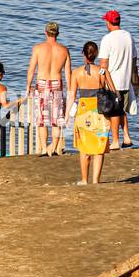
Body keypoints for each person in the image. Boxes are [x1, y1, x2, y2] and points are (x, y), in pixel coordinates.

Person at [25, 21, 72, 157]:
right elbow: (68, 73)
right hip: (57, 83)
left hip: (42, 84)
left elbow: (31, 68)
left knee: (42, 120)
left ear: (46, 32)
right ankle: (54, 149)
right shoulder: (64, 50)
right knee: (56, 120)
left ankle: (45, 148)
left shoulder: (38, 48)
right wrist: (70, 91)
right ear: (57, 33)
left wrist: (28, 85)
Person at [69, 41, 111, 185]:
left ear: (83, 54)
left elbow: (72, 96)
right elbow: (106, 88)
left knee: (84, 146)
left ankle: (84, 179)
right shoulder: (101, 70)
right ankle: (96, 180)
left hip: (84, 109)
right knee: (99, 147)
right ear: (96, 54)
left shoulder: (76, 72)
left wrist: (69, 115)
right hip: (99, 109)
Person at [97, 10, 139, 149]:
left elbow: (103, 66)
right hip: (126, 81)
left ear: (108, 22)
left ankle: (115, 141)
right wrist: (133, 78)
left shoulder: (107, 39)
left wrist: (102, 82)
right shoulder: (128, 36)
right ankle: (126, 137)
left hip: (113, 81)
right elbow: (134, 60)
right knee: (121, 110)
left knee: (113, 112)